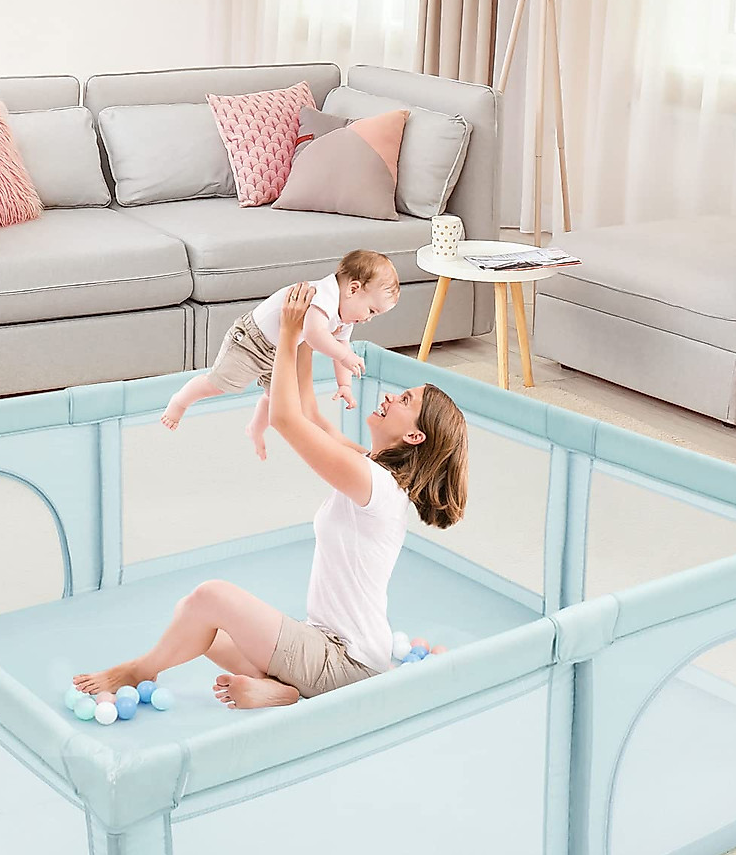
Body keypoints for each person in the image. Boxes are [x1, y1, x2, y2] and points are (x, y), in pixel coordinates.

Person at [74, 281, 469, 709]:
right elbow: (306, 412)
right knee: (197, 626)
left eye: (405, 399)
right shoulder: (368, 470)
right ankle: (280, 689)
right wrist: (306, 333)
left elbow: (284, 418)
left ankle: (140, 670)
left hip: (349, 662)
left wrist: (287, 331)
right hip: (324, 644)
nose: (391, 396)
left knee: (210, 598)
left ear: (414, 436)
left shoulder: (372, 483)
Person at [160, 249, 401, 459]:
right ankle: (180, 401)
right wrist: (345, 357)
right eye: (371, 310)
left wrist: (344, 385)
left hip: (280, 351)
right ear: (353, 288)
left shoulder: (345, 315)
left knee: (276, 398)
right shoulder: (323, 295)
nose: (368, 319)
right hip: (252, 342)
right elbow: (315, 334)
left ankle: (256, 427)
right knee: (219, 384)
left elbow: (342, 345)